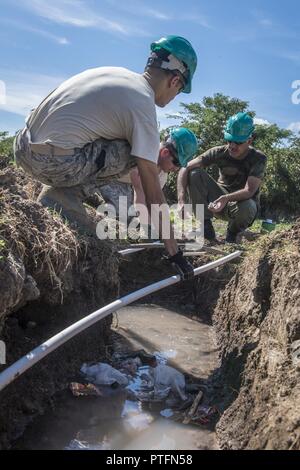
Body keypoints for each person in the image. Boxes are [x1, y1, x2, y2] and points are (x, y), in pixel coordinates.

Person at [14, 35, 197, 279]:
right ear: (175, 81)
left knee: (125, 141)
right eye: (179, 91)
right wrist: (174, 253)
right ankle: (62, 197)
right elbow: (153, 192)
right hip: (50, 161)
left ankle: (64, 193)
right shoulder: (144, 107)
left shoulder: (118, 74)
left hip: (22, 144)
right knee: (137, 153)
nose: (175, 96)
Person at [177, 112, 267, 243]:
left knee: (248, 206)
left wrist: (226, 198)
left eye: (238, 142)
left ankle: (232, 234)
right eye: (229, 140)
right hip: (216, 202)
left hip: (241, 206)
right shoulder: (218, 152)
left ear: (249, 140)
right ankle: (206, 228)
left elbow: (249, 191)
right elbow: (185, 167)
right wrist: (181, 200)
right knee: (194, 173)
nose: (232, 146)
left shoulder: (258, 158)